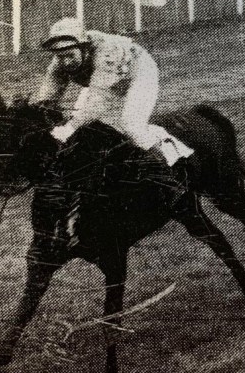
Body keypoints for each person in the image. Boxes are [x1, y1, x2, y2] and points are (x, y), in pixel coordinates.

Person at [36, 17, 193, 240]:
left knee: (131, 126)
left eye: (70, 55)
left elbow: (97, 103)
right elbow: (46, 98)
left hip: (138, 73)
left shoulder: (105, 52)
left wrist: (69, 127)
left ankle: (170, 183)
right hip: (105, 83)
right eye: (60, 56)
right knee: (86, 134)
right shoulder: (59, 61)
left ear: (84, 47)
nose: (65, 61)